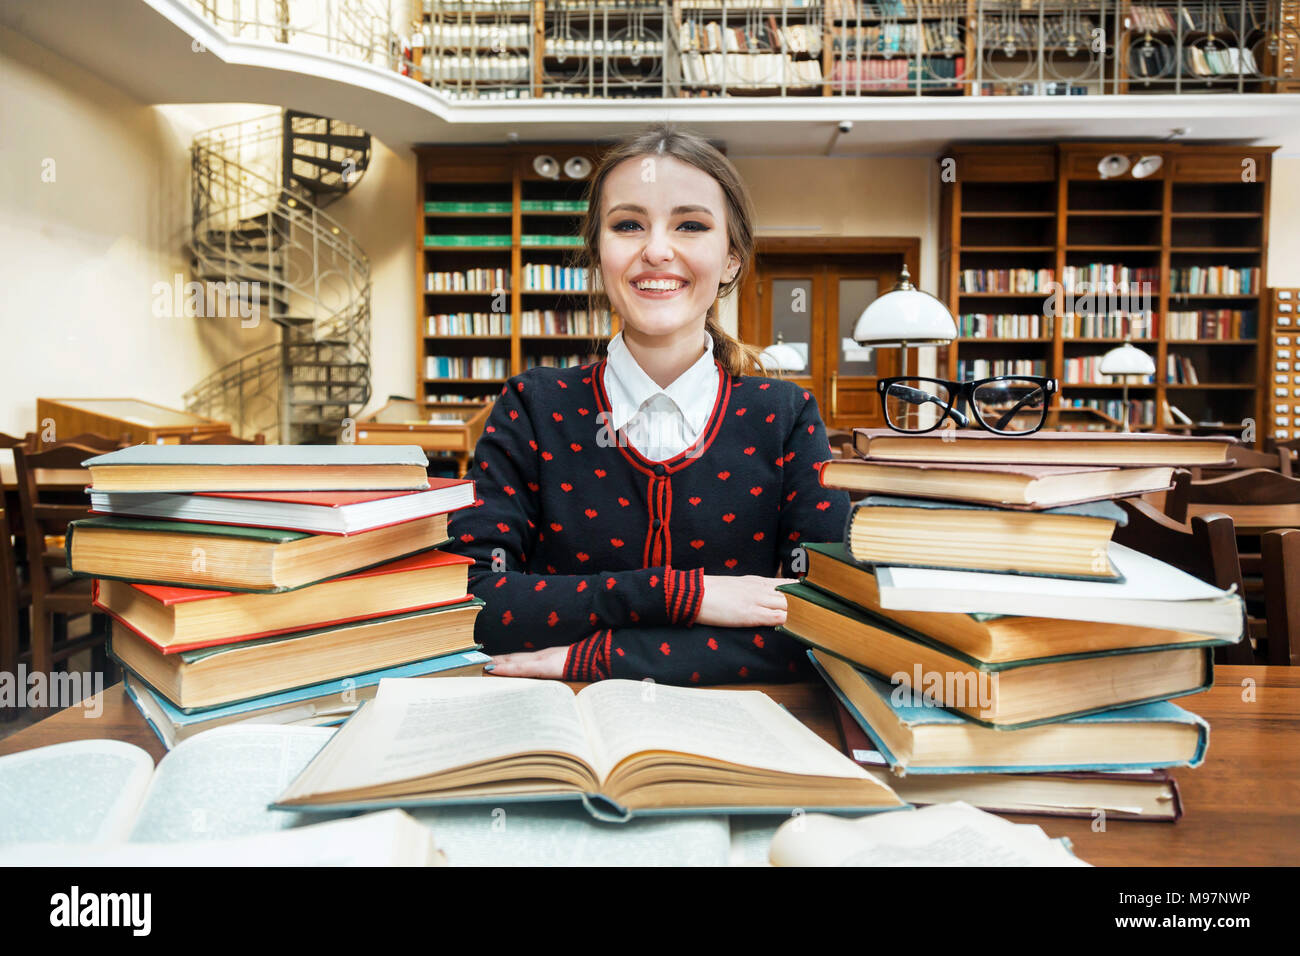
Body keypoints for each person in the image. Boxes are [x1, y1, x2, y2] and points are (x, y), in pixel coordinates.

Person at [446, 122, 851, 685]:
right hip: (557, 732)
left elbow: (827, 625)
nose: (656, 250)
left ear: (732, 259)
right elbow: (472, 604)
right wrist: (685, 595)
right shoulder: (533, 408)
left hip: (737, 738)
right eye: (628, 224)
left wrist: (598, 655)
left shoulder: (785, 419)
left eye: (690, 225)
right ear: (598, 253)